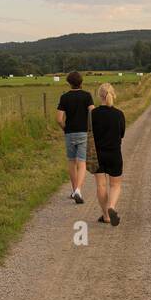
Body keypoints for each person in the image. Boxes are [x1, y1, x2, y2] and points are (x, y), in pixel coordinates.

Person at [91, 82, 126, 226]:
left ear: (100, 96)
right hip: (114, 153)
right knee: (115, 185)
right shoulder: (119, 114)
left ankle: (105, 215)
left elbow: (90, 133)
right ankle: (111, 206)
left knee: (101, 185)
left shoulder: (93, 114)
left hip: (98, 154)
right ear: (113, 95)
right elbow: (122, 134)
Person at [55, 71, 93, 204]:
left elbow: (59, 119)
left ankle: (74, 190)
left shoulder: (64, 97)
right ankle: (78, 190)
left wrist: (65, 128)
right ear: (81, 82)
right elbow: (92, 112)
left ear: (69, 83)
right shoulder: (87, 96)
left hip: (69, 133)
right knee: (81, 162)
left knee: (71, 161)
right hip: (83, 132)